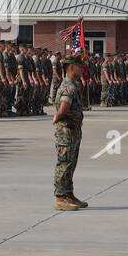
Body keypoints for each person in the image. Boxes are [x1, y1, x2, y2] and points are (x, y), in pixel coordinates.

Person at [53, 56, 87, 211]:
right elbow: (63, 109)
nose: (82, 69)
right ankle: (60, 198)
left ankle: (69, 194)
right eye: (80, 66)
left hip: (73, 130)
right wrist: (58, 117)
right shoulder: (69, 87)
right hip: (66, 131)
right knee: (64, 163)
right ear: (72, 67)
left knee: (71, 164)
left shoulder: (74, 85)